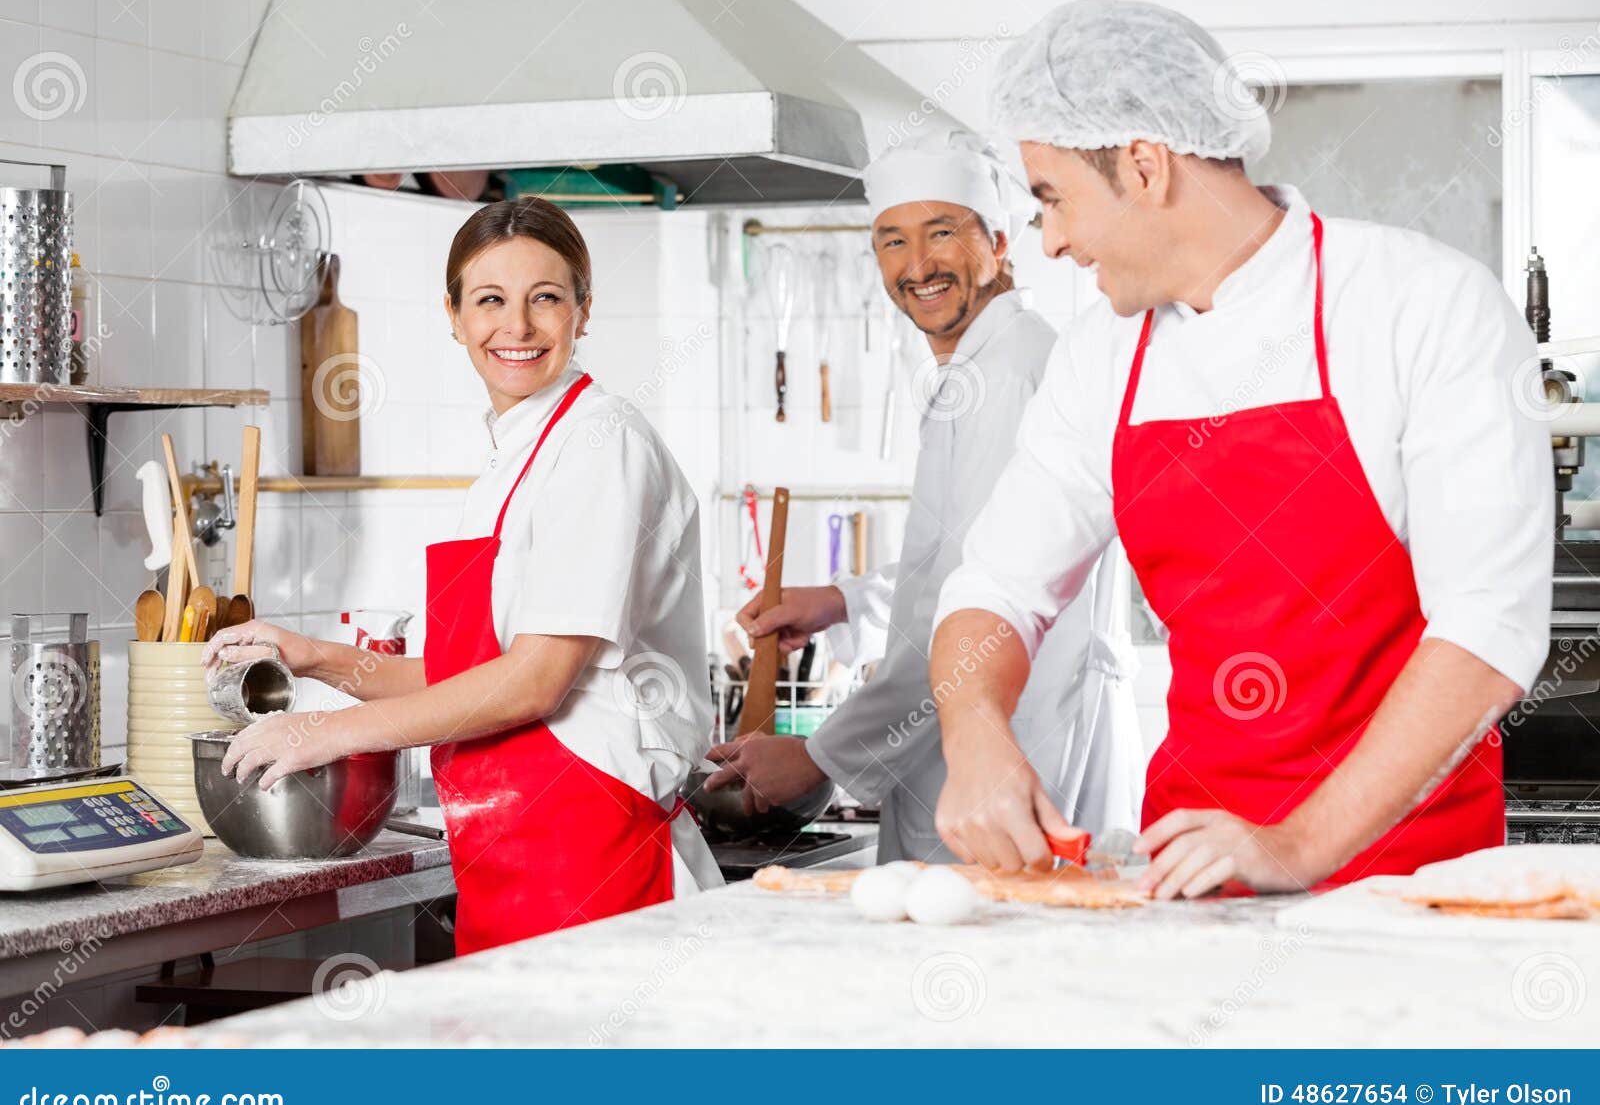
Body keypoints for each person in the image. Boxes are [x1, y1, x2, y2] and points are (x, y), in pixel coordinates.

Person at [929, 0, 1551, 896]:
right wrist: (975, 733)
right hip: (1188, 877)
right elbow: (996, 588)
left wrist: (1296, 845)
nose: (1052, 241)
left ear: (1143, 166)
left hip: (1414, 889)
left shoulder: (1422, 305)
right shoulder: (1102, 359)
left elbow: (1488, 627)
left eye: (1053, 199)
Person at [203, 198, 722, 952]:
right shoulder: (516, 454)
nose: (516, 327)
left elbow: (536, 680)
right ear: (453, 315)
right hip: (512, 860)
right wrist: (315, 657)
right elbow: (473, 674)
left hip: (601, 864)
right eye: (489, 300)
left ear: (583, 310)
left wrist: (328, 730)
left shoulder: (601, 441)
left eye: (545, 298)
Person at [705, 130, 1143, 863]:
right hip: (999, 746)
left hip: (1026, 744)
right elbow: (976, 559)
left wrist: (820, 754)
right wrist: (846, 600)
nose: (918, 266)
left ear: (1000, 242)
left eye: (942, 233)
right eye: (892, 242)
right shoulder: (983, 368)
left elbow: (970, 607)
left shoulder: (1008, 375)